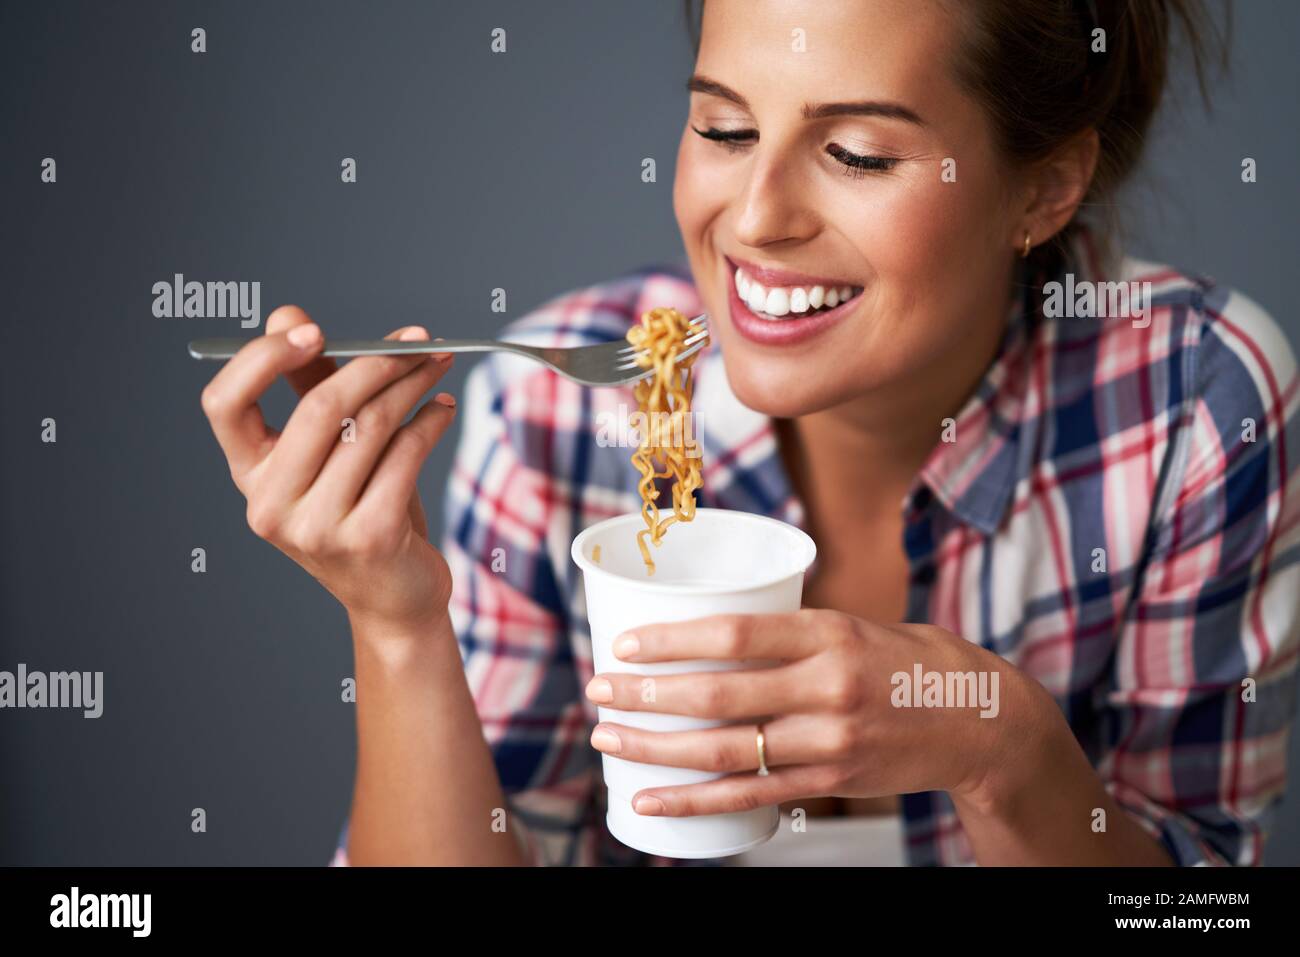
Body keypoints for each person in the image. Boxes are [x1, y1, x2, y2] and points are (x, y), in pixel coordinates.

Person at [200, 0, 1300, 866]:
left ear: (1045, 188)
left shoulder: (1192, 402)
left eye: (857, 153)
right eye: (724, 129)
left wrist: (997, 744)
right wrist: (396, 625)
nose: (757, 218)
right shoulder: (556, 410)